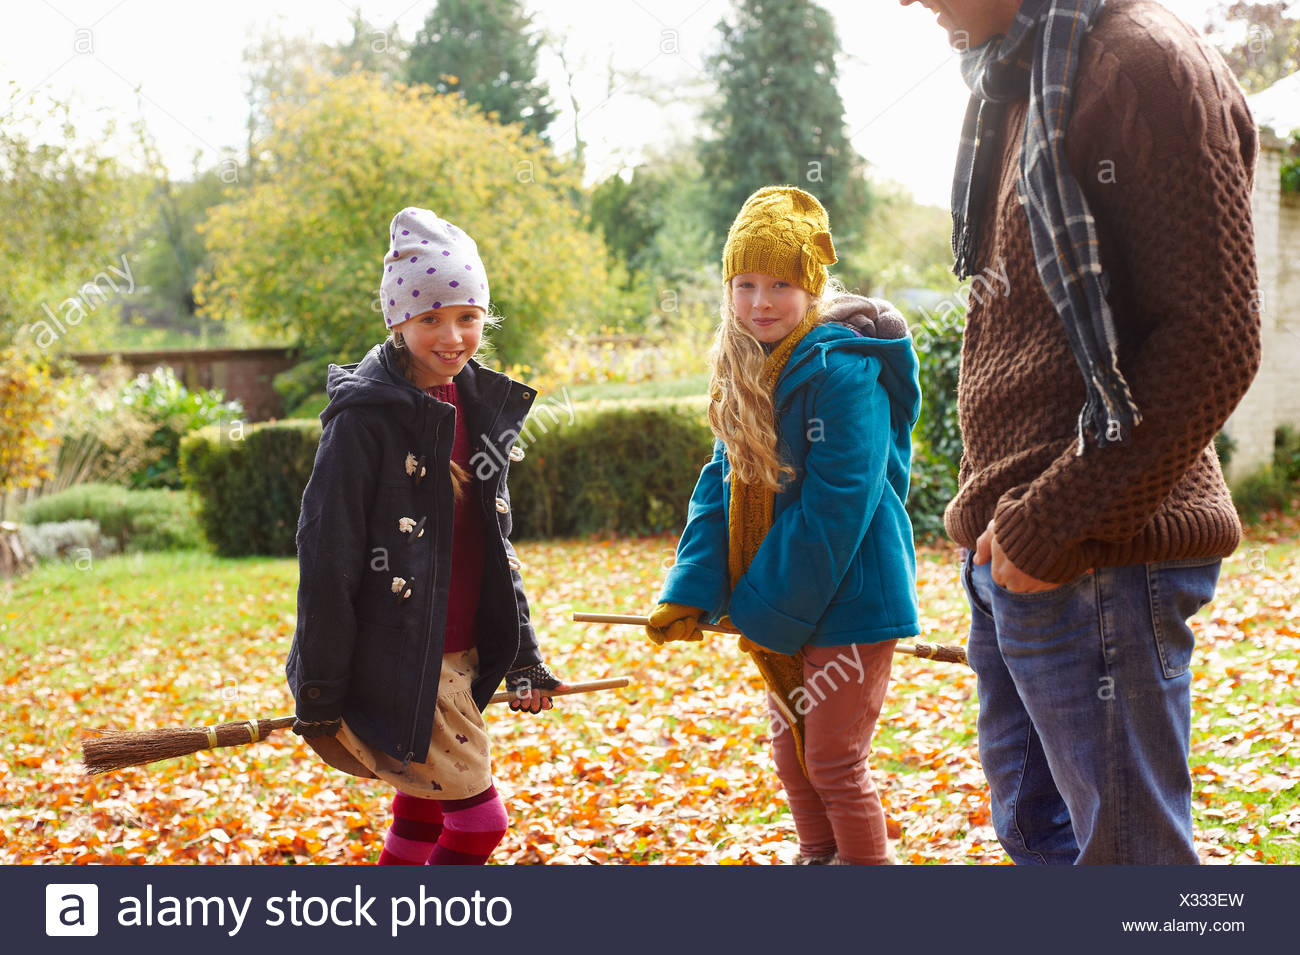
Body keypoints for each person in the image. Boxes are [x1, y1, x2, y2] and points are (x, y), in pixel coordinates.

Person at [901, 0, 1262, 863]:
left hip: (1097, 546)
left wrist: (1047, 523)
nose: (907, 1)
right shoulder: (1023, 74)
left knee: (1130, 868)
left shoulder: (1142, 66)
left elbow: (1213, 339)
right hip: (1017, 551)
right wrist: (1007, 535)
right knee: (1039, 836)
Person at [646, 186, 921, 865]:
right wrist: (692, 588)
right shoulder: (743, 368)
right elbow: (722, 485)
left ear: (812, 288)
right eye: (744, 283)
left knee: (831, 757)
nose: (759, 301)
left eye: (780, 284)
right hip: (788, 599)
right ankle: (815, 858)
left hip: (854, 596)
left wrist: (762, 606)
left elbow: (839, 502)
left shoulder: (843, 370)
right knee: (791, 755)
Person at [286, 207, 567, 865]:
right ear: (397, 321)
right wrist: (321, 688)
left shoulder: (476, 404)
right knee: (478, 824)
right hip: (407, 655)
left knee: (420, 812)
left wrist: (522, 657)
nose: (452, 335)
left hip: (462, 649)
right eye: (430, 319)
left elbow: (496, 546)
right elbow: (327, 553)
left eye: (468, 316)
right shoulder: (365, 420)